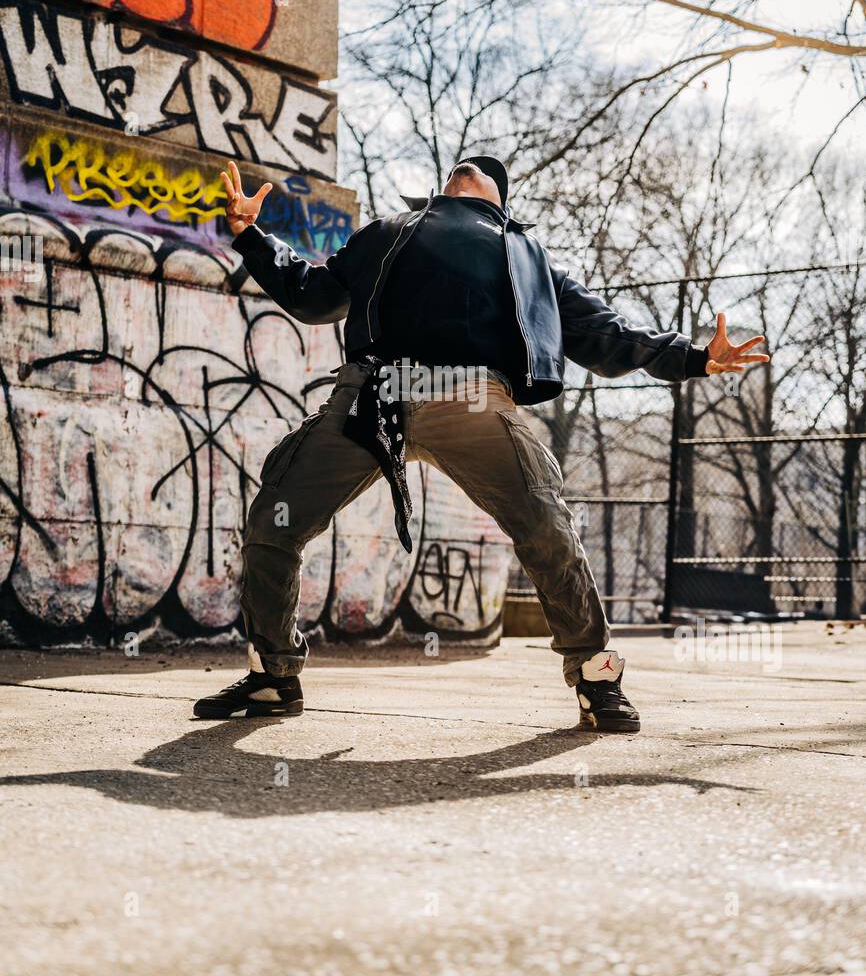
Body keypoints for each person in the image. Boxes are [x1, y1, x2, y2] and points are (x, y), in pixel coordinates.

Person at [194, 156, 768, 731]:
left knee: (545, 526)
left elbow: (604, 334)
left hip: (468, 400)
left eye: (486, 168)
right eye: (461, 164)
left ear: (500, 201)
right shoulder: (387, 233)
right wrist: (250, 236)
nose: (469, 165)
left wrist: (693, 357)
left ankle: (596, 675)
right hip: (370, 398)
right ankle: (273, 675)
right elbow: (313, 295)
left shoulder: (524, 255)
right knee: (275, 518)